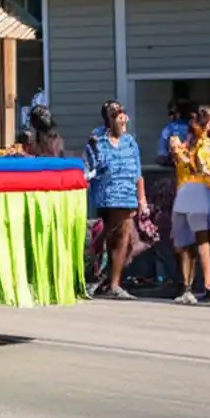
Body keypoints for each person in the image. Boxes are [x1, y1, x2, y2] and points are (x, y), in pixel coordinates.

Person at [84, 100, 147, 299]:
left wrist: (141, 199)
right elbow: (91, 169)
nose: (125, 119)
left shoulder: (130, 141)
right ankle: (97, 277)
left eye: (124, 115)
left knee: (123, 238)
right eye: (120, 116)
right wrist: (94, 151)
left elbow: (138, 172)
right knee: (108, 237)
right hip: (107, 195)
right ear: (110, 120)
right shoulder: (97, 141)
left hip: (127, 195)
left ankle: (114, 283)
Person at [169, 105, 210, 304]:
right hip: (200, 191)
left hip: (184, 193)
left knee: (186, 243)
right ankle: (208, 286)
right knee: (202, 240)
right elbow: (202, 167)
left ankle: (190, 287)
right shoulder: (206, 144)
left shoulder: (181, 145)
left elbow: (184, 162)